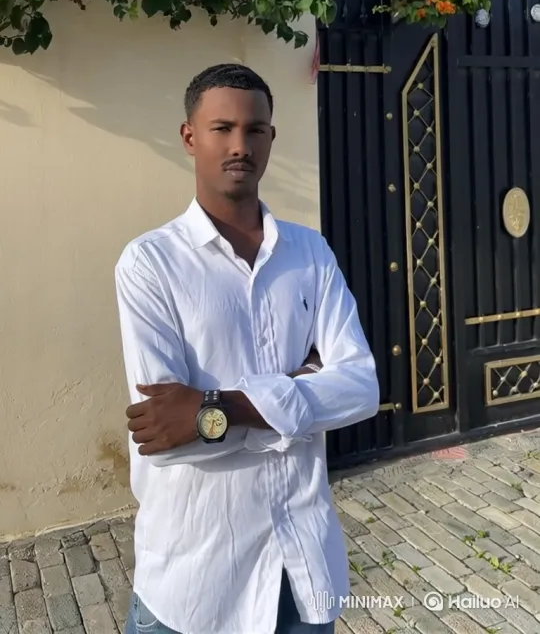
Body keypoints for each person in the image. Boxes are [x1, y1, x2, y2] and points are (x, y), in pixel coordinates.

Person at [116, 63, 379, 634]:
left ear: (271, 136)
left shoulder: (310, 254)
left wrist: (216, 406)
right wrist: (304, 387)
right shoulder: (149, 265)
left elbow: (361, 388)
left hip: (304, 571)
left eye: (255, 129)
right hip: (198, 583)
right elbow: (166, 438)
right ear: (190, 136)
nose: (241, 145)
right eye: (222, 128)